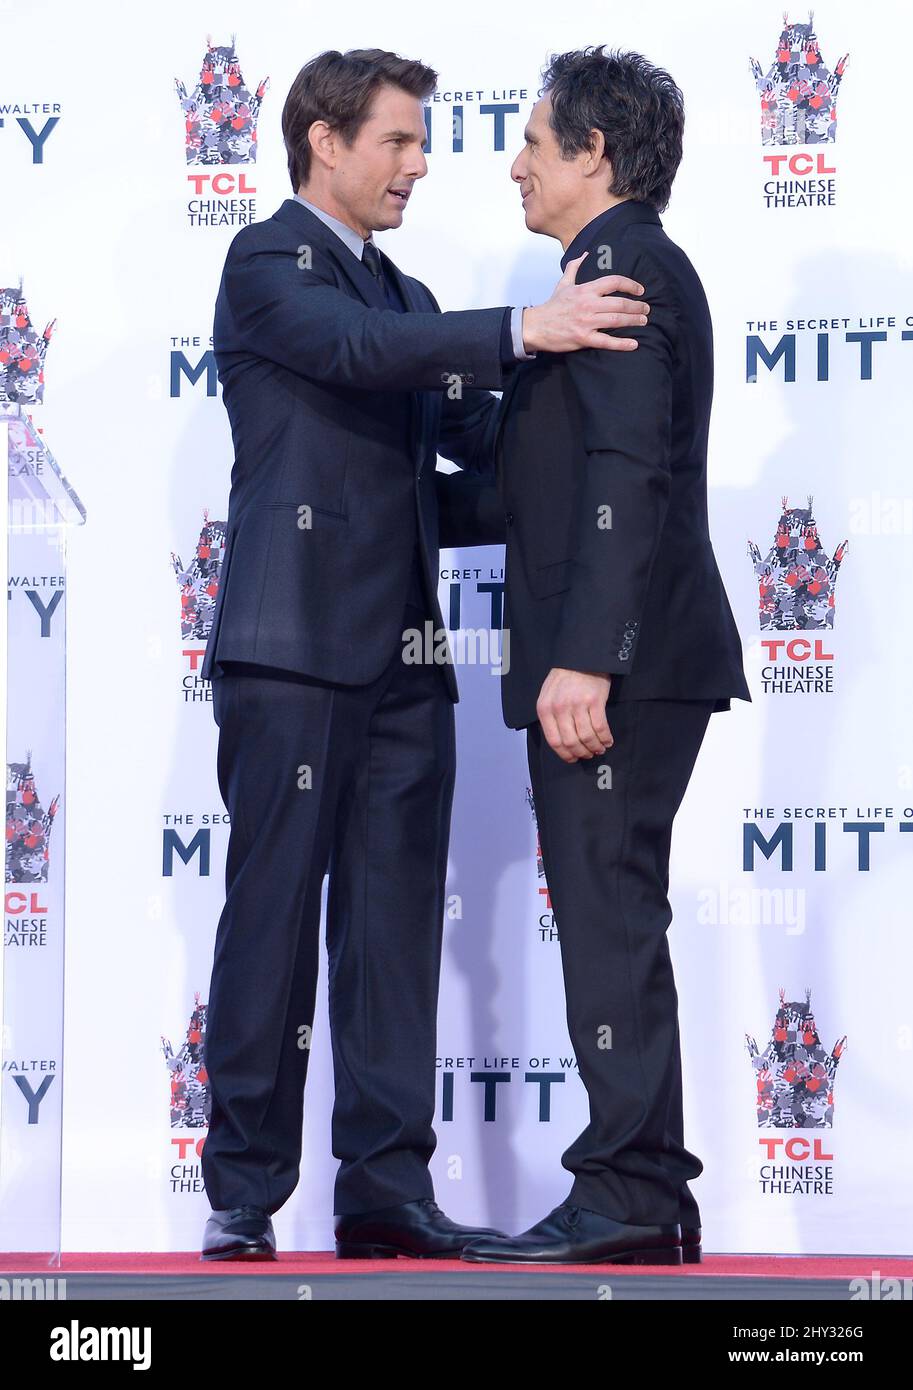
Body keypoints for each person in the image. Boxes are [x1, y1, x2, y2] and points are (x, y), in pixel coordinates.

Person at [198, 46, 650, 1261]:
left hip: (406, 662)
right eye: (396, 140)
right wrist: (523, 325)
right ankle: (243, 1191)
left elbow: (478, 455)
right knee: (272, 923)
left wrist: (599, 450)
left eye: (420, 139)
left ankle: (383, 1187)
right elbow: (350, 355)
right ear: (324, 143)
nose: (421, 161)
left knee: (394, 933)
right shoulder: (266, 264)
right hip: (287, 653)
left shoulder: (402, 296)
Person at [463, 47, 751, 1267]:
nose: (515, 161)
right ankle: (647, 1192)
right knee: (608, 913)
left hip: (619, 667)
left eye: (535, 139)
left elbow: (626, 476)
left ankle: (632, 1192)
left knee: (606, 918)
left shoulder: (621, 264)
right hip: (633, 653)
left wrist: (583, 659)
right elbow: (539, 483)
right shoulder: (607, 272)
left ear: (594, 152)